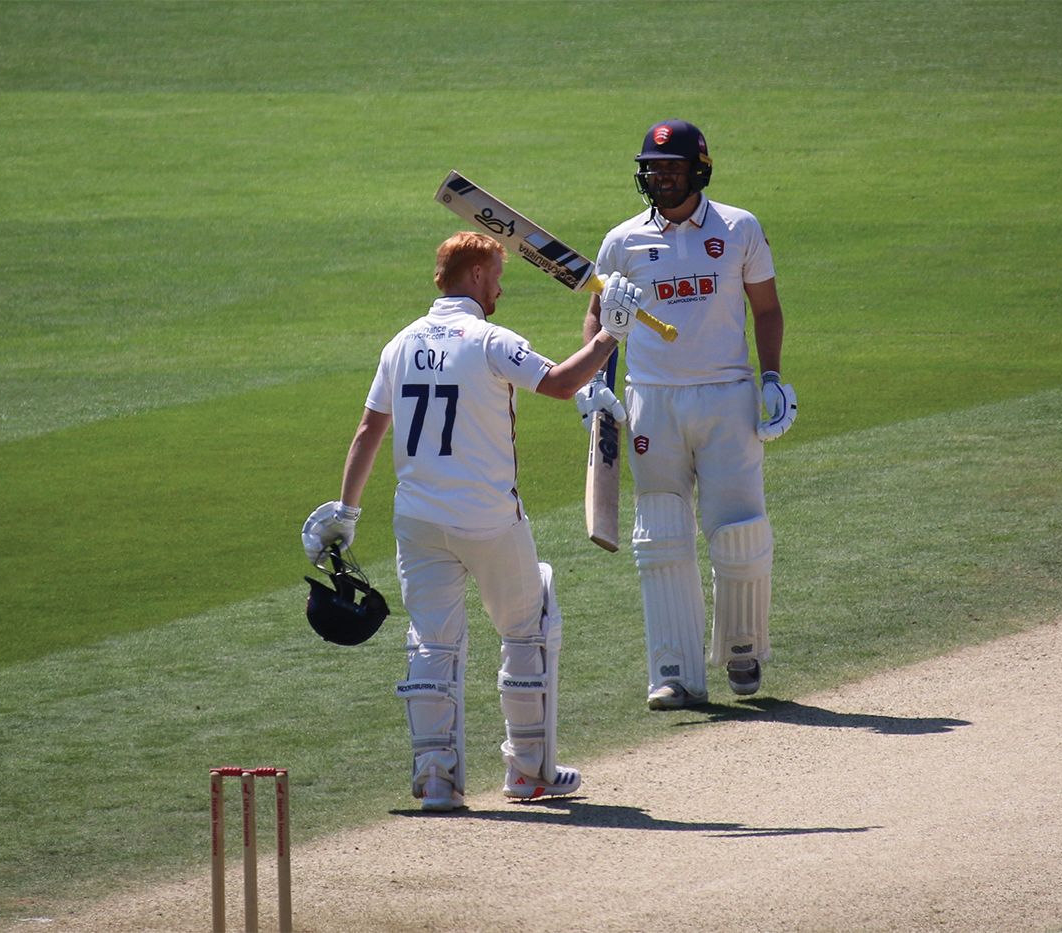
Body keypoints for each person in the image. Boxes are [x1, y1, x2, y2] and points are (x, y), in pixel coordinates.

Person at [303, 231, 644, 811]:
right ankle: (529, 771)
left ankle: (436, 780)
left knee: (432, 641)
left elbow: (368, 431)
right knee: (529, 624)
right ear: (478, 275)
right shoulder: (490, 340)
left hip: (417, 520)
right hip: (487, 517)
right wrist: (612, 334)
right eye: (497, 277)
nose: (501, 290)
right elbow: (562, 383)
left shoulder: (399, 344)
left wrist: (346, 511)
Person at [577, 119, 797, 710]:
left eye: (671, 167)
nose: (660, 177)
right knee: (661, 534)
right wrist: (597, 384)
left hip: (727, 396)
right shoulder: (622, 241)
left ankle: (743, 648)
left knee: (739, 531)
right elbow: (600, 314)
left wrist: (772, 378)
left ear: (699, 169)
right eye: (652, 168)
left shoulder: (739, 227)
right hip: (652, 399)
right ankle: (674, 673)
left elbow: (767, 309)